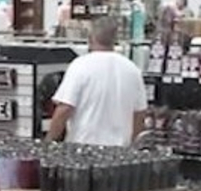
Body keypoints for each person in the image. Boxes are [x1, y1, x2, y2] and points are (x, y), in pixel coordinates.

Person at [45, 18, 146, 147]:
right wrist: (132, 145)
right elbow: (139, 114)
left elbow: (65, 108)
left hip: (84, 147)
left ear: (91, 38)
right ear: (115, 40)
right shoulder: (132, 69)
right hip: (120, 151)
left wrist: (49, 141)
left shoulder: (80, 65)